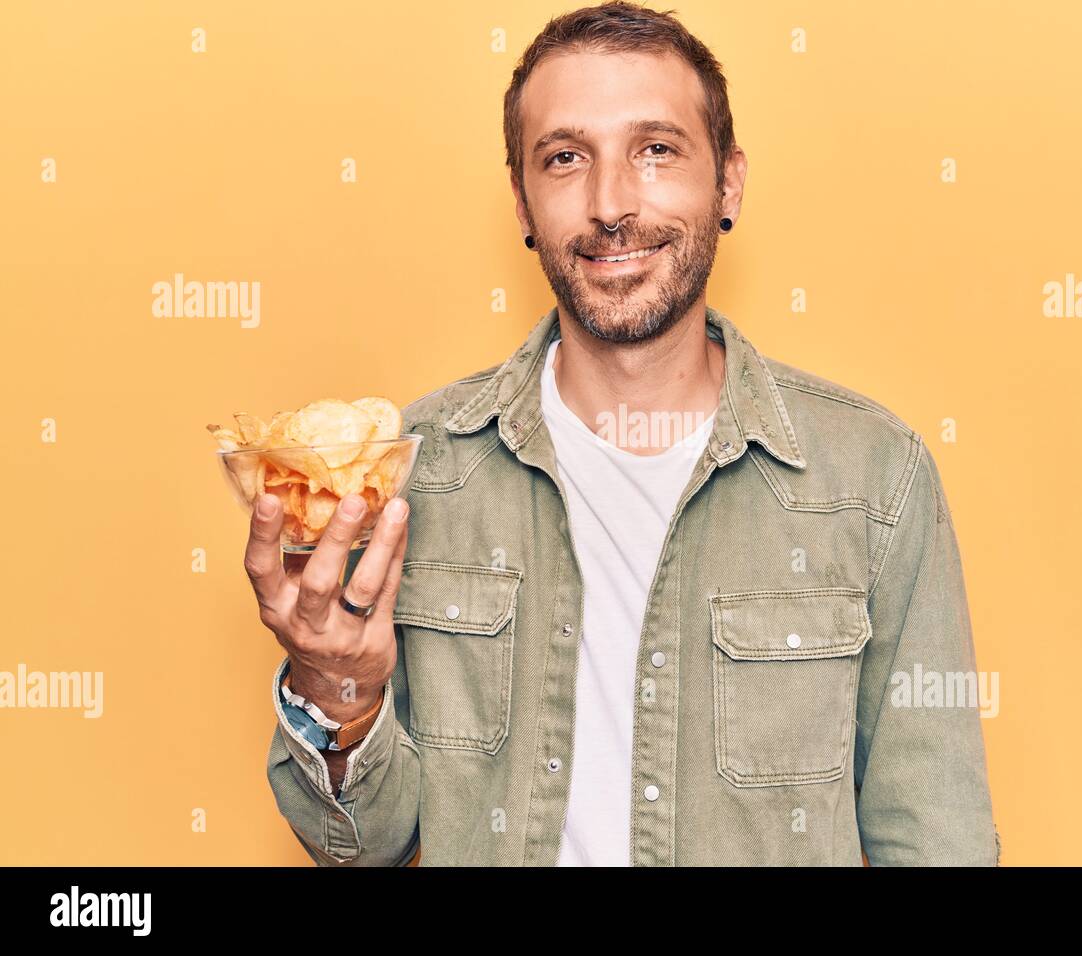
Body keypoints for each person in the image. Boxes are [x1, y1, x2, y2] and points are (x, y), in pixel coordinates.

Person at [246, 0, 998, 866]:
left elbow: (937, 841)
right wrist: (336, 691)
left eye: (656, 150)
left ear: (729, 184)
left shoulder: (873, 477)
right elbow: (363, 849)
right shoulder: (410, 470)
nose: (610, 205)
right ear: (522, 204)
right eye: (565, 158)